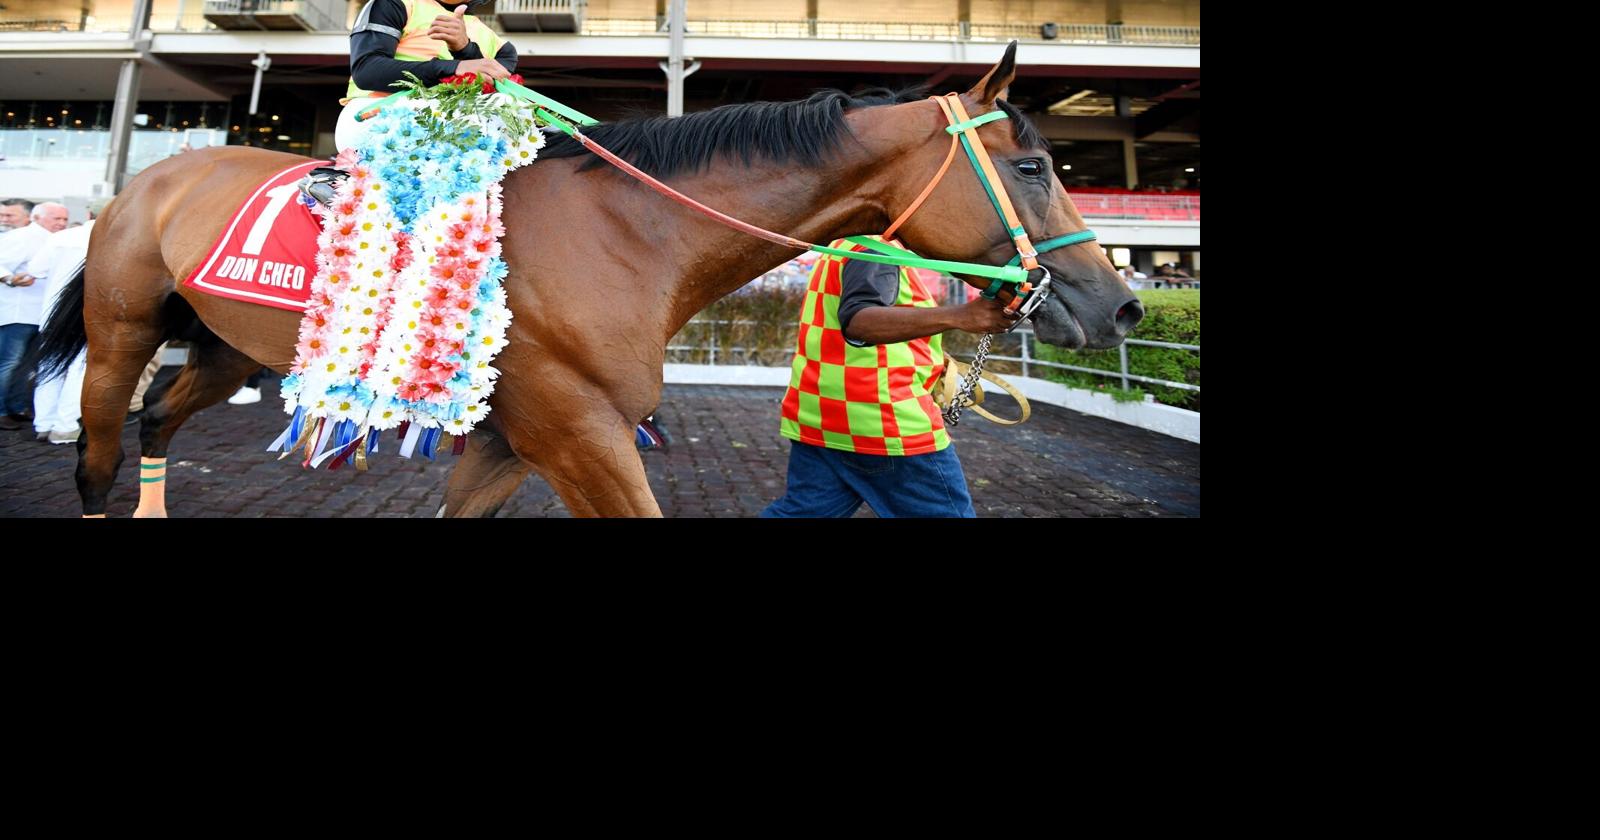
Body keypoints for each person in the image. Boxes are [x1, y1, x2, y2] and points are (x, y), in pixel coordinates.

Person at [760, 237, 1018, 518]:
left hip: (821, 420)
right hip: (886, 426)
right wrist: (960, 316)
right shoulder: (877, 250)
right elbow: (859, 322)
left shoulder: (843, 244)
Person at [299, 0, 519, 205]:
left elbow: (493, 97)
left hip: (462, 132)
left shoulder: (502, 48)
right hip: (374, 117)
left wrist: (465, 49)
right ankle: (337, 183)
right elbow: (366, 71)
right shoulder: (393, 4)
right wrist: (452, 67)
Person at [24, 198, 109, 442]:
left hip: (52, 313)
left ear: (90, 212)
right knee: (78, 371)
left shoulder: (61, 238)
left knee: (49, 367)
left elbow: (36, 270)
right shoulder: (115, 238)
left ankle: (43, 423)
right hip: (90, 314)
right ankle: (64, 426)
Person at [0, 201, 70, 429]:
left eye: (64, 219)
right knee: (10, 363)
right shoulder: (21, 237)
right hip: (18, 312)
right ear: (37, 218)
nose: (61, 223)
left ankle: (18, 407)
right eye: (56, 218)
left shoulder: (59, 240)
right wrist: (9, 279)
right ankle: (2, 410)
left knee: (27, 365)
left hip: (42, 314)